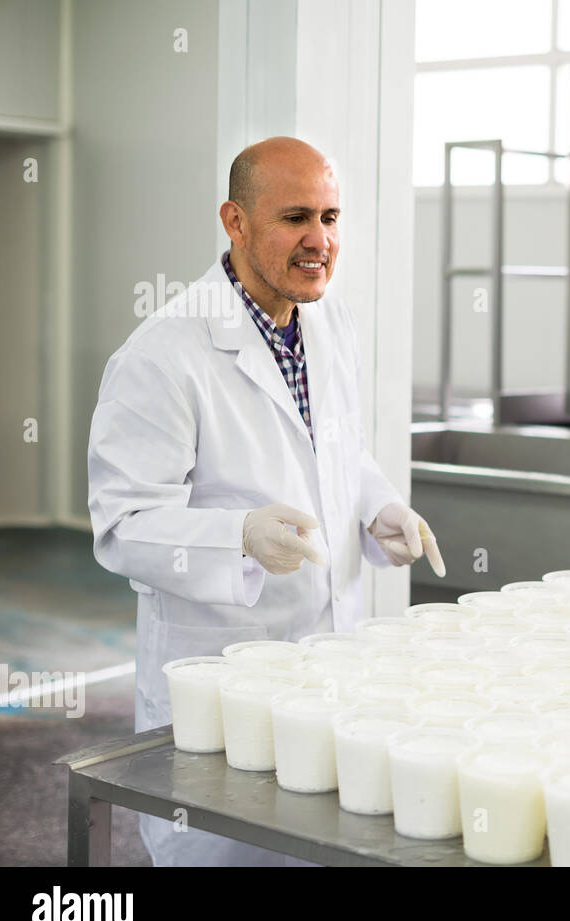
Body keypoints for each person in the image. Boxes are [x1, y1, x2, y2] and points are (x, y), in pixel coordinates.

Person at [87, 137, 444, 866]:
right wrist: (238, 537)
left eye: (331, 216)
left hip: (331, 670)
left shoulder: (327, 321)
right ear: (235, 221)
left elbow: (338, 453)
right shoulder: (163, 355)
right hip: (225, 682)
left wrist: (379, 507)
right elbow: (122, 527)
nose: (321, 240)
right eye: (295, 217)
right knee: (230, 854)